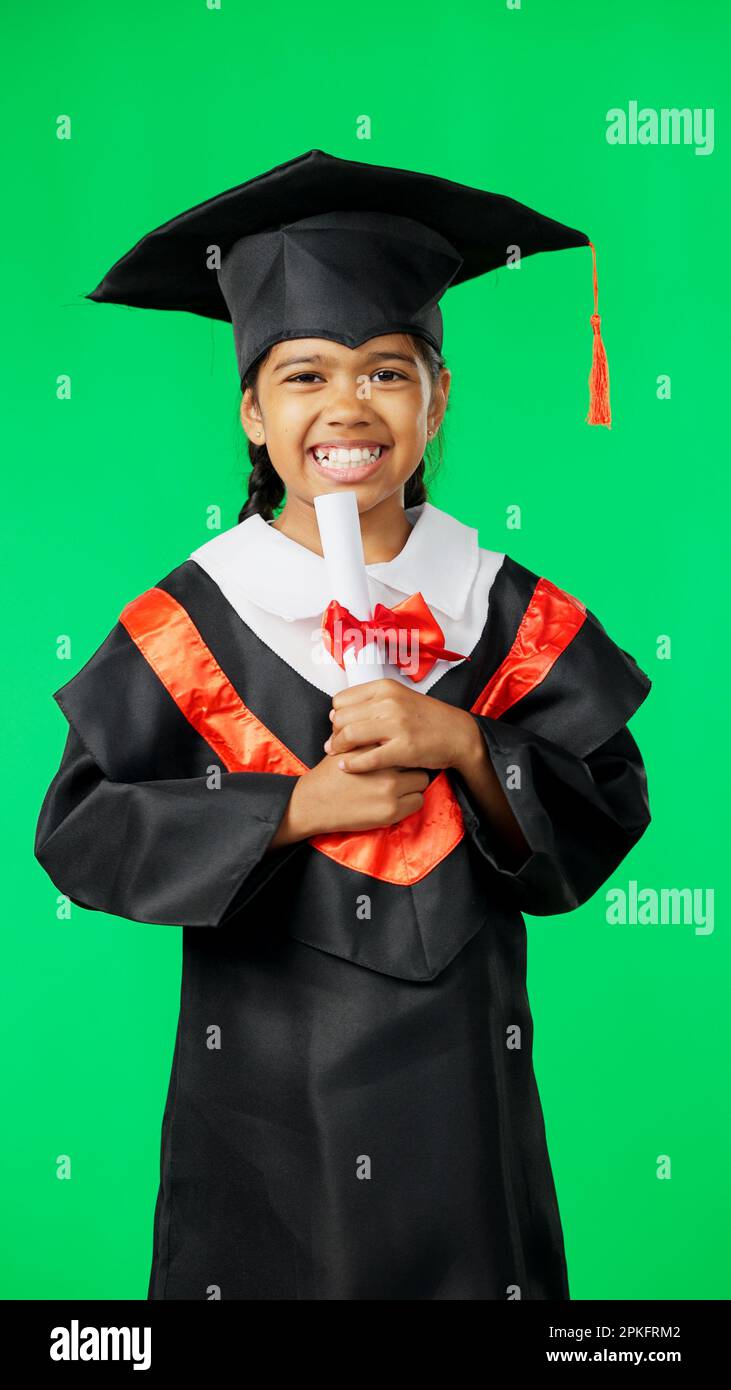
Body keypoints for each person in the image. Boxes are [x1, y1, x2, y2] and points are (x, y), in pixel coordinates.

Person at [34, 149, 651, 1301]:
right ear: (254, 414)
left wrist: (466, 746)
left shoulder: (491, 599)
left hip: (465, 1095)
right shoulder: (197, 613)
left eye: (387, 371)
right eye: (304, 376)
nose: (347, 408)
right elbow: (80, 826)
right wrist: (290, 808)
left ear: (436, 399)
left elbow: (607, 794)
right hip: (261, 1109)